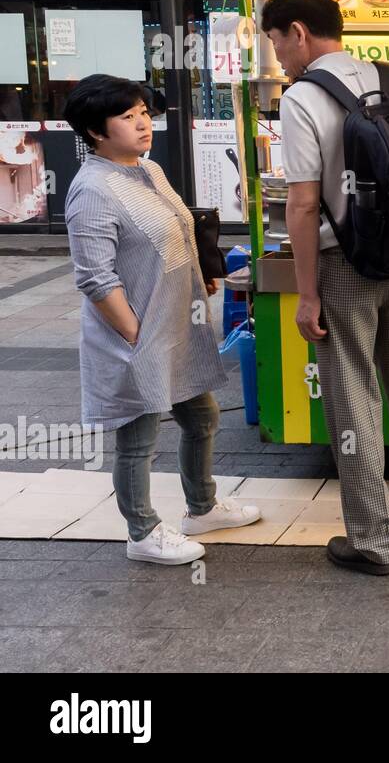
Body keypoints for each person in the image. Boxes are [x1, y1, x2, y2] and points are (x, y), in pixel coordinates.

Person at [266, 0, 389, 576]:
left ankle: (374, 539)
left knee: (353, 396)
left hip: (344, 262)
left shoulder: (302, 96)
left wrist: (306, 294)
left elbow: (301, 204)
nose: (278, 59)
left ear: (298, 32)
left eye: (277, 44)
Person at [65, 74, 260, 565]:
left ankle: (203, 507)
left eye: (144, 113)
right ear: (95, 130)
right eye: (127, 117)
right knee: (139, 436)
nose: (142, 124)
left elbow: (177, 227)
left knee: (202, 416)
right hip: (136, 333)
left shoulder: (148, 171)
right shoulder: (92, 190)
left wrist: (204, 272)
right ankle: (143, 532)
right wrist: (136, 335)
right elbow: (94, 278)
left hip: (176, 326)